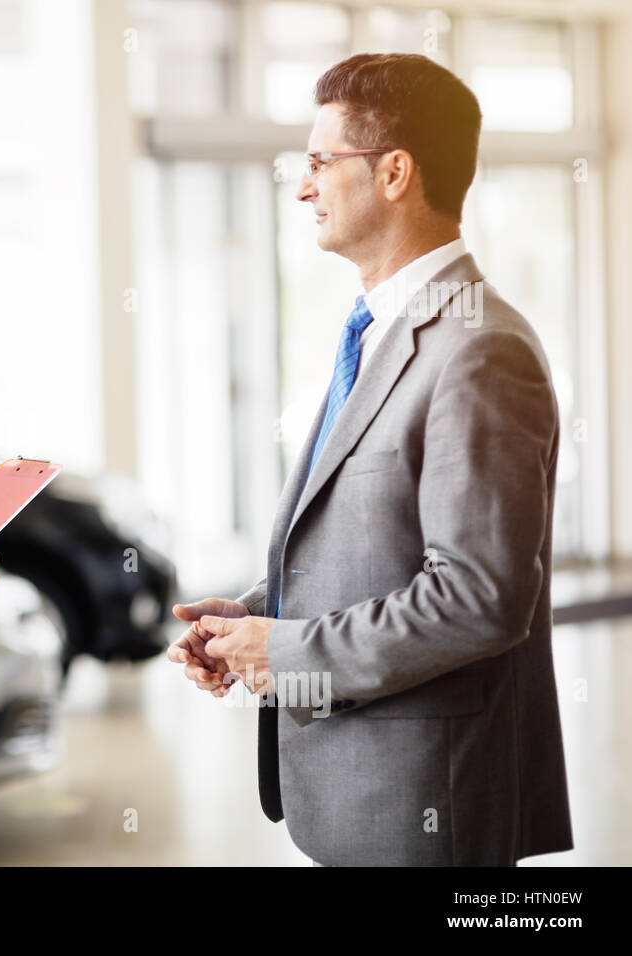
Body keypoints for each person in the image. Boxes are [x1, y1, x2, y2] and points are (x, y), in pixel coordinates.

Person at [167, 53, 573, 866]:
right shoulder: (381, 328)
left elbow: (479, 598)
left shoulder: (481, 350)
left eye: (320, 161)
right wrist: (255, 618)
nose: (304, 187)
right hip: (363, 798)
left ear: (395, 172)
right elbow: (370, 543)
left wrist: (286, 652)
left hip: (427, 807)